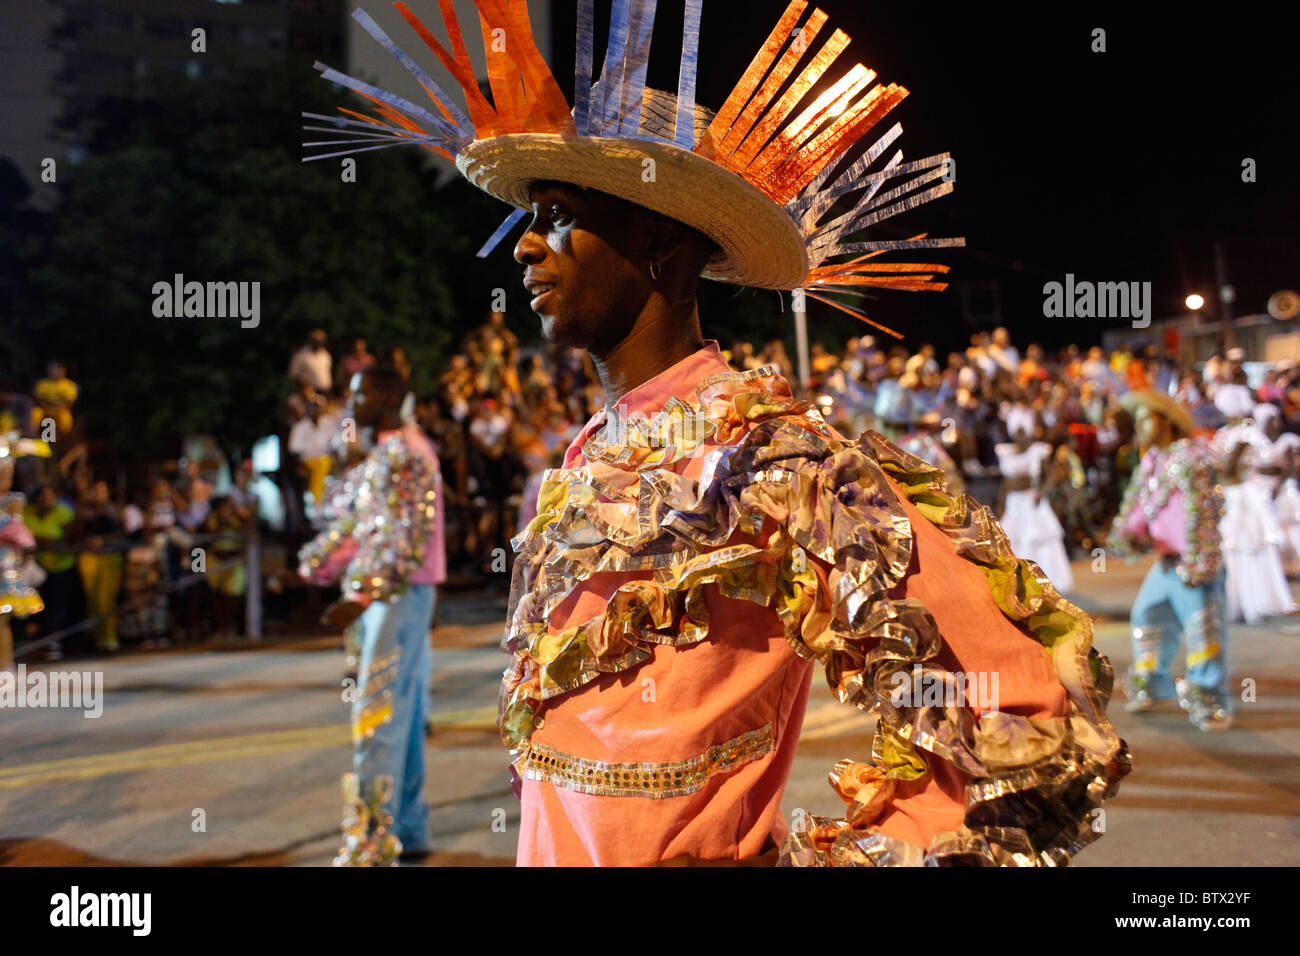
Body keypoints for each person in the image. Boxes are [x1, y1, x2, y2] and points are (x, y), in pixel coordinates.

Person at [314, 0, 1128, 867]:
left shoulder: (775, 457)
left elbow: (1026, 713)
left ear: (659, 239)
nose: (524, 248)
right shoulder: (591, 450)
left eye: (559, 216)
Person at [298, 365, 445, 865]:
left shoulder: (405, 452)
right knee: (399, 719)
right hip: (392, 597)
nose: (350, 403)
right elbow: (360, 523)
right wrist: (317, 563)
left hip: (395, 597)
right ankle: (407, 827)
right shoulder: (389, 451)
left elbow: (401, 542)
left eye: (360, 394)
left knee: (377, 718)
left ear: (386, 399)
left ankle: (368, 845)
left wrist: (358, 596)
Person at [1109, 390, 1231, 732]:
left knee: (1203, 629)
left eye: (1146, 419)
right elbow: (1140, 506)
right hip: (1164, 563)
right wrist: (1130, 533)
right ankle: (1153, 683)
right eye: (1137, 422)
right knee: (1147, 614)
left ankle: (1209, 699)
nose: (1140, 427)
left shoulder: (1193, 459)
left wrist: (1201, 561)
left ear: (1167, 421)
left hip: (1194, 562)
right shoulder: (1152, 461)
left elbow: (1205, 515)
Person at [1211, 406, 1295, 621]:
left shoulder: (1243, 436)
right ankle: (1238, 602)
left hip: (1243, 498)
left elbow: (1228, 469)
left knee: (1248, 548)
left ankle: (1254, 602)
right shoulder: (1226, 435)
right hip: (1237, 496)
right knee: (1236, 552)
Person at [994, 428, 1075, 592]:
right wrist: (1001, 505)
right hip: (1014, 504)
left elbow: (1052, 473)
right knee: (1012, 538)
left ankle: (1042, 578)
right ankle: (1017, 579)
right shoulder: (1005, 452)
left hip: (1032, 501)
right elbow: (1005, 484)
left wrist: (1042, 491)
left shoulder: (1038, 451)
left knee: (1038, 537)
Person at [23, 483, 82, 660]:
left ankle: (53, 643)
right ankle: (38, 641)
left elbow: (71, 538)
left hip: (62, 566)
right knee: (38, 606)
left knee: (57, 605)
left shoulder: (63, 511)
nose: (46, 500)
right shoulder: (28, 512)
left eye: (50, 496)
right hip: (37, 568)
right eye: (42, 496)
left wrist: (47, 543)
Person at [289, 329, 333, 393]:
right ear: (311, 340)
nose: (318, 343)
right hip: (309, 392)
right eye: (316, 341)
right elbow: (294, 375)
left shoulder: (325, 355)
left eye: (321, 341)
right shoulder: (302, 355)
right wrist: (305, 388)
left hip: (326, 391)